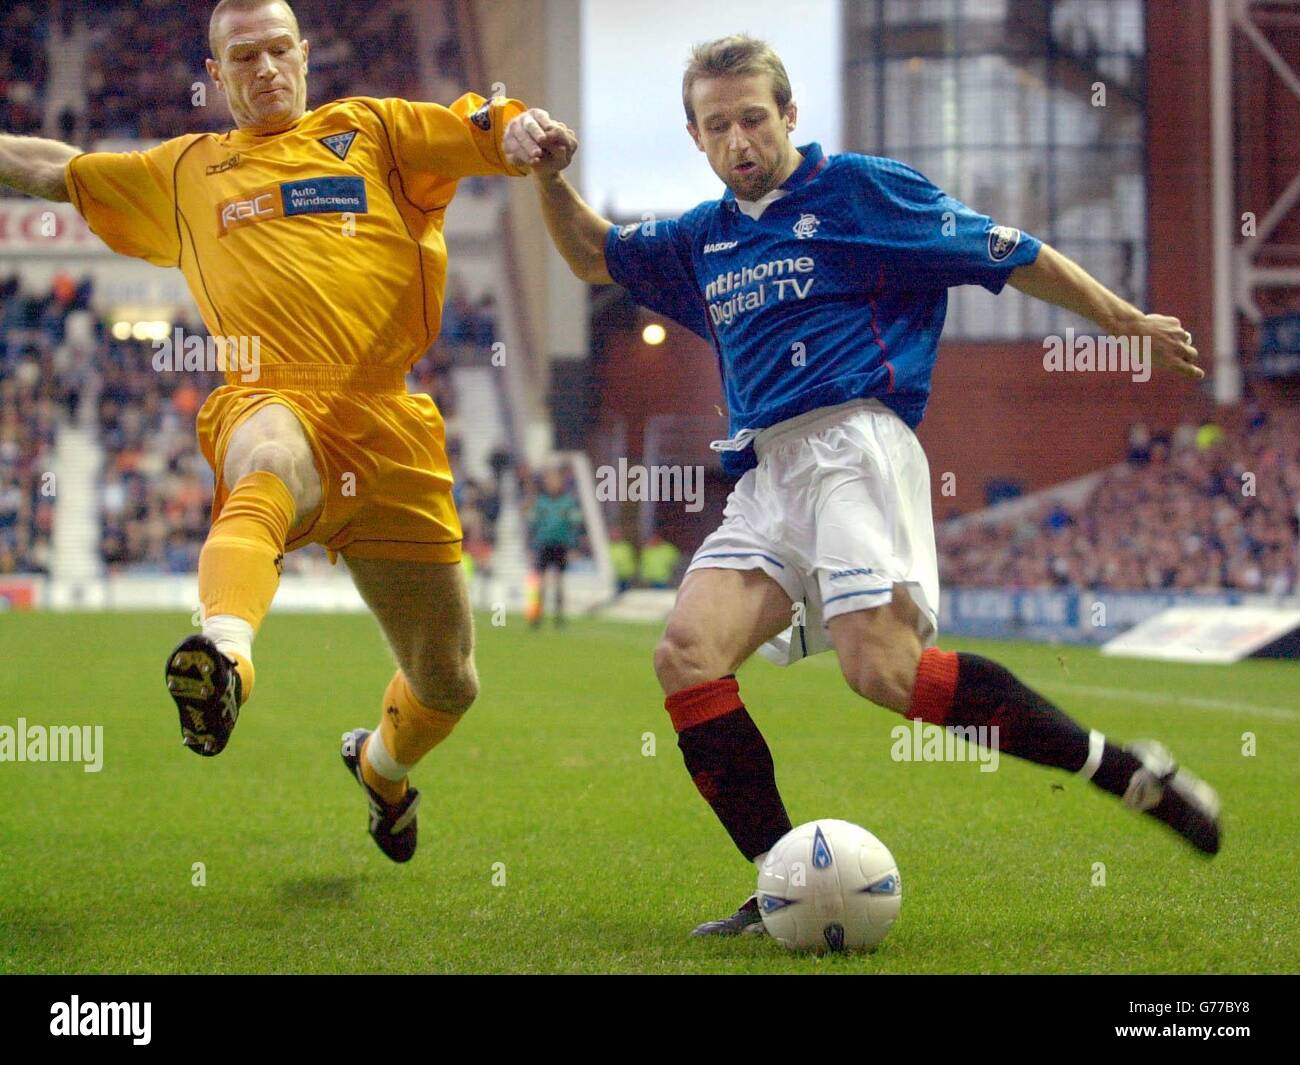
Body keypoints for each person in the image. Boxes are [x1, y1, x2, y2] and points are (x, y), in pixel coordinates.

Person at [528, 34, 1221, 935]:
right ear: (695, 137)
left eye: (752, 117)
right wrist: (546, 175)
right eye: (716, 125)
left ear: (788, 115)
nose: (739, 140)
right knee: (685, 654)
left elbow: (1012, 250)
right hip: (766, 469)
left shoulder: (861, 189)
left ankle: (1126, 770)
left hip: (855, 445)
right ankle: (782, 876)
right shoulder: (704, 236)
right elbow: (592, 255)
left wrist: (1123, 319)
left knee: (884, 674)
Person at [0, 0, 576, 863]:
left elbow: (476, 129)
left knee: (448, 681)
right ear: (216, 74)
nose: (265, 67)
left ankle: (380, 768)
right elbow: (59, 168)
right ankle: (224, 657)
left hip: (388, 423)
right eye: (243, 56)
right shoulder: (185, 170)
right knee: (266, 453)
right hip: (270, 394)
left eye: (278, 49)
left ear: (305, 55)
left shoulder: (371, 130)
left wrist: (522, 130)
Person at [528, 468, 582, 627]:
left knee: (559, 582)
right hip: (543, 544)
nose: (552, 484)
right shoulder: (540, 502)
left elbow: (575, 525)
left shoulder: (568, 502)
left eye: (555, 481)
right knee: (540, 583)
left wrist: (573, 547)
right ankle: (537, 616)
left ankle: (558, 617)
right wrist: (531, 546)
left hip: (561, 545)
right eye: (549, 481)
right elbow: (532, 524)